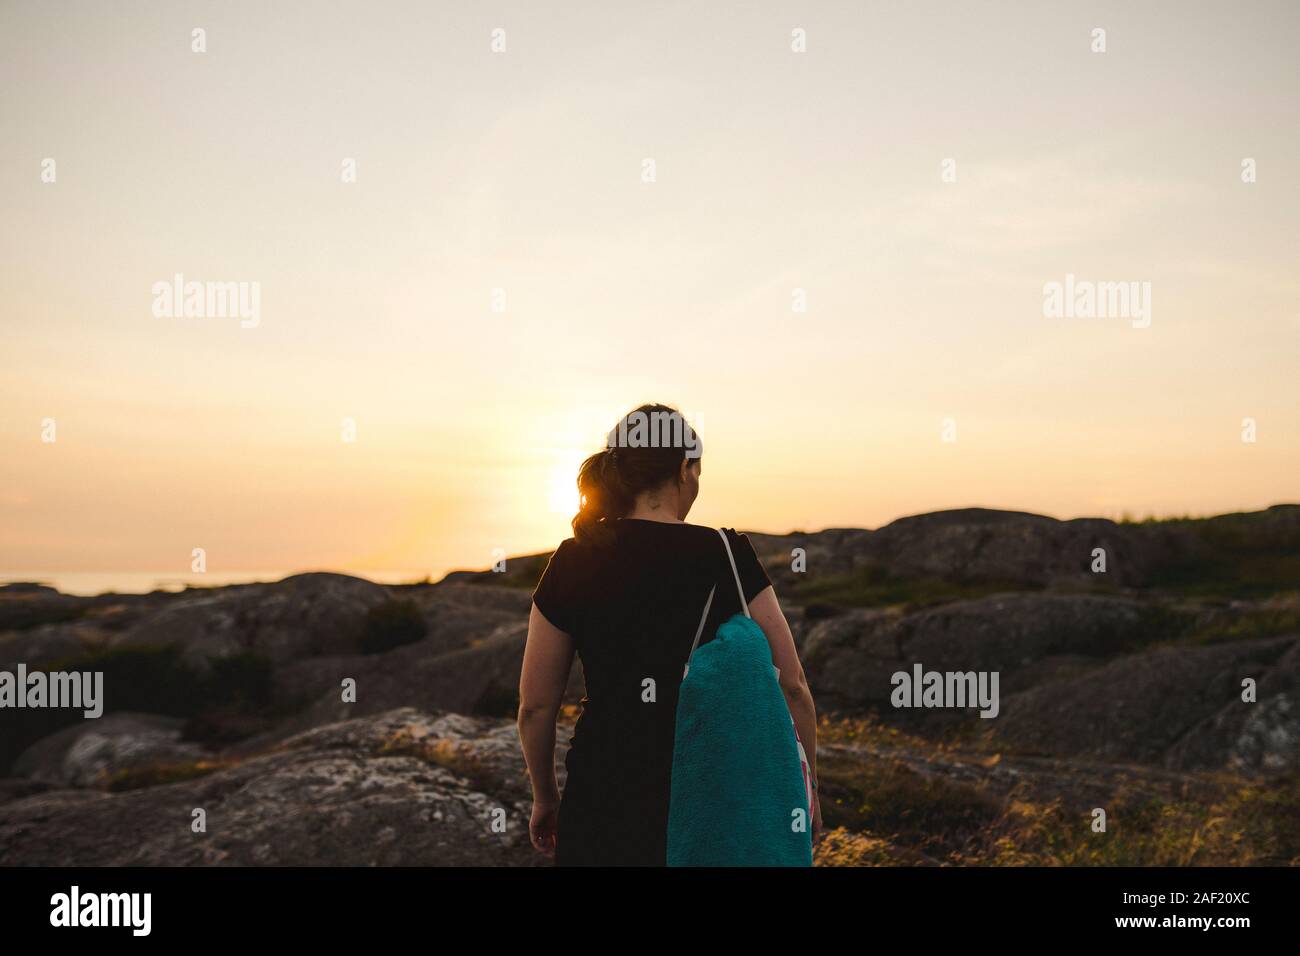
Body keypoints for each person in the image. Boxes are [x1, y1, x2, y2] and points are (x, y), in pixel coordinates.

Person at [516, 403, 822, 865]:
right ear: (685, 469)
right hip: (709, 788)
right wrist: (807, 788)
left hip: (603, 786)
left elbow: (535, 707)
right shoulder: (725, 551)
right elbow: (792, 684)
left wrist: (546, 798)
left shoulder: (573, 557)